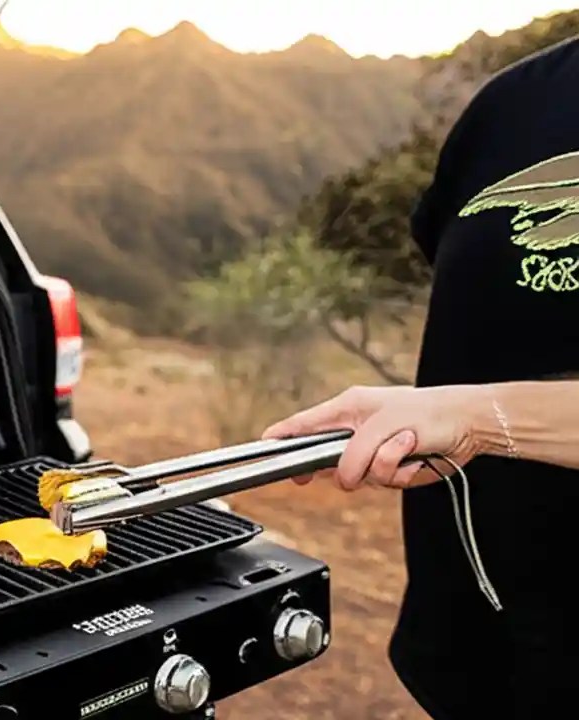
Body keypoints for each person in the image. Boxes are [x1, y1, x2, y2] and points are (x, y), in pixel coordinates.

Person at [261, 36, 579, 720]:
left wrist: (480, 419)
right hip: (480, 647)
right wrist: (433, 408)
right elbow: (486, 315)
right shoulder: (511, 102)